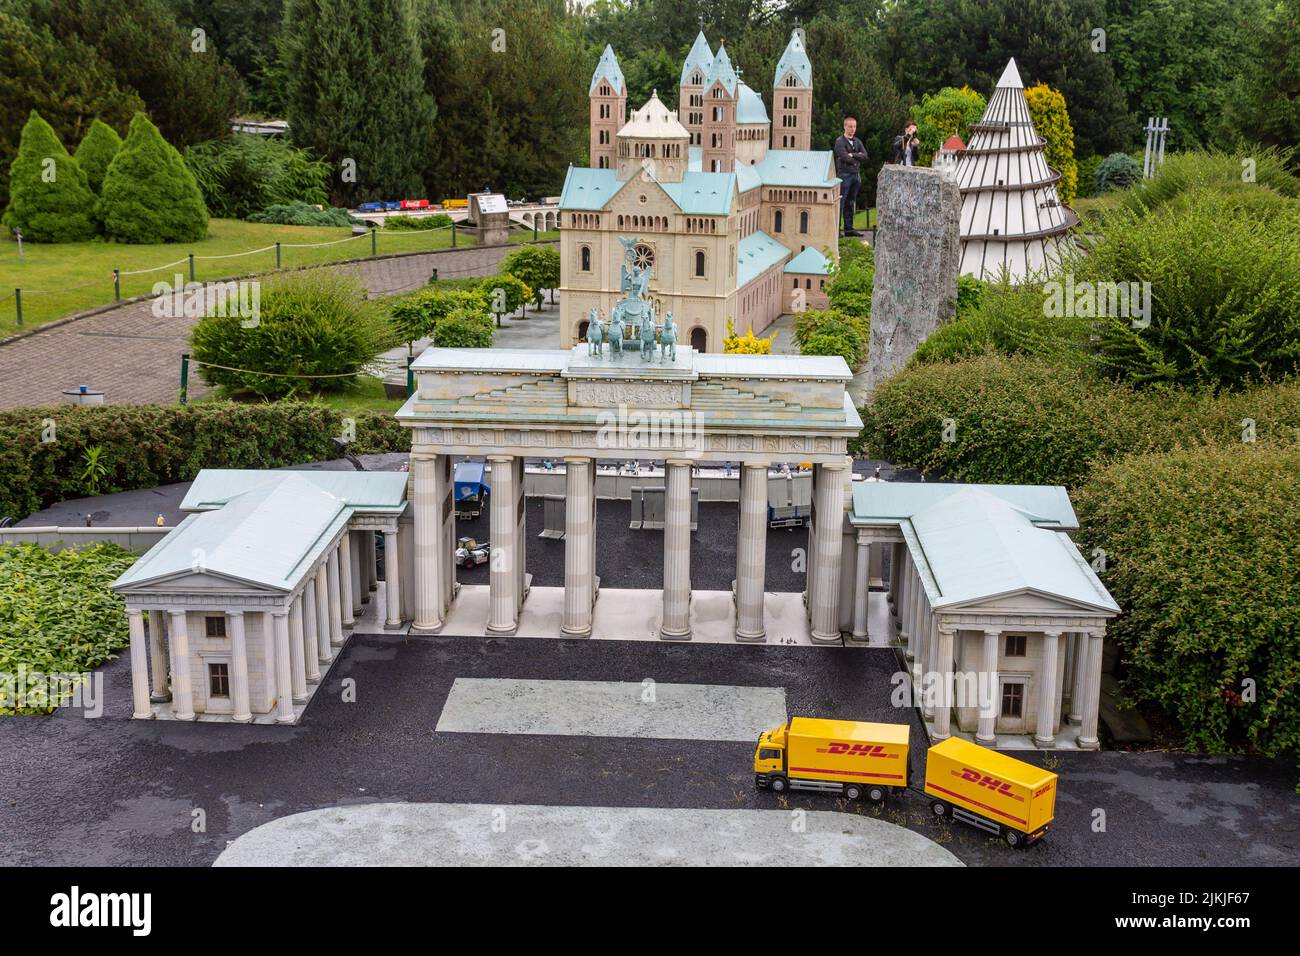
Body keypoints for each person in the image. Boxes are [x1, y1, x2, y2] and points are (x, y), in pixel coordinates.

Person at [833, 116, 869, 237]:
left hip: (855, 176)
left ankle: (849, 229)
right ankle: (836, 230)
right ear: (845, 127)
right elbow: (844, 157)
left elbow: (865, 156)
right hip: (844, 176)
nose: (852, 129)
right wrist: (856, 158)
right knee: (841, 203)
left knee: (850, 202)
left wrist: (853, 155)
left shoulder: (858, 141)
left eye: (854, 126)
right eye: (850, 126)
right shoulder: (839, 142)